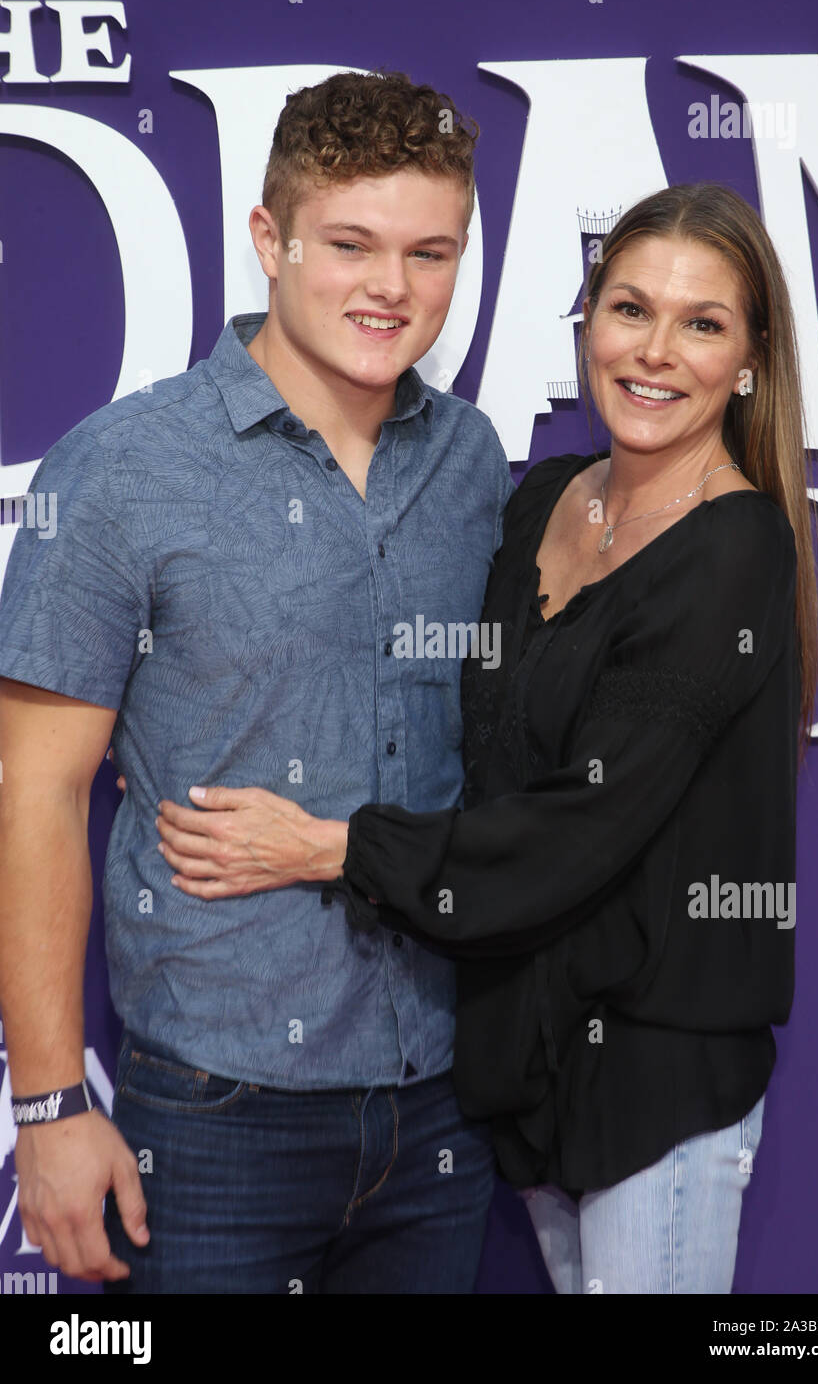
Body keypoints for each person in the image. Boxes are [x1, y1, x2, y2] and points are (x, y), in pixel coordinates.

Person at [153, 183, 818, 1293]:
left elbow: (579, 828)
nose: (655, 352)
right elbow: (477, 751)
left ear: (750, 361)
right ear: (585, 324)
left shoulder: (735, 549)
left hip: (658, 1084)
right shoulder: (544, 498)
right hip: (530, 1066)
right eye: (628, 309)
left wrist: (329, 847)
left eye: (703, 324)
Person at [0, 69, 516, 1294]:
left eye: (429, 251)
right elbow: (36, 798)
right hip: (212, 1114)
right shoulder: (122, 471)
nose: (392, 287)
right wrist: (52, 1102)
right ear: (270, 241)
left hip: (444, 1103)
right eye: (350, 244)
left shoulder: (475, 462)